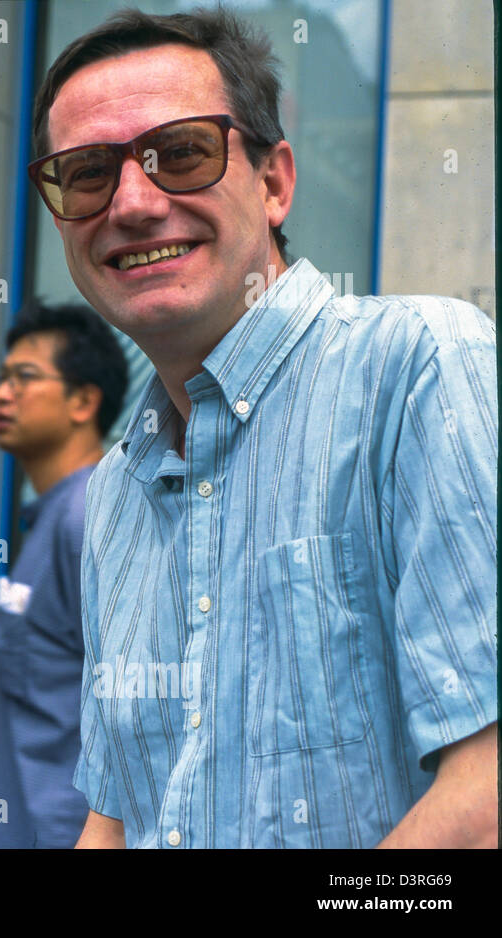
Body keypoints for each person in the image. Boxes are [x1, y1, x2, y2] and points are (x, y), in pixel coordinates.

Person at [27, 7, 497, 848]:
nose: (133, 203)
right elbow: (122, 813)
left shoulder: (420, 367)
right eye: (87, 172)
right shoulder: (113, 491)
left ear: (275, 182)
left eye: (183, 153)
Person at [0, 300, 127, 848]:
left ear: (84, 400)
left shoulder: (88, 518)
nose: (1, 393)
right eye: (1, 378)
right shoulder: (48, 517)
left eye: (24, 378)